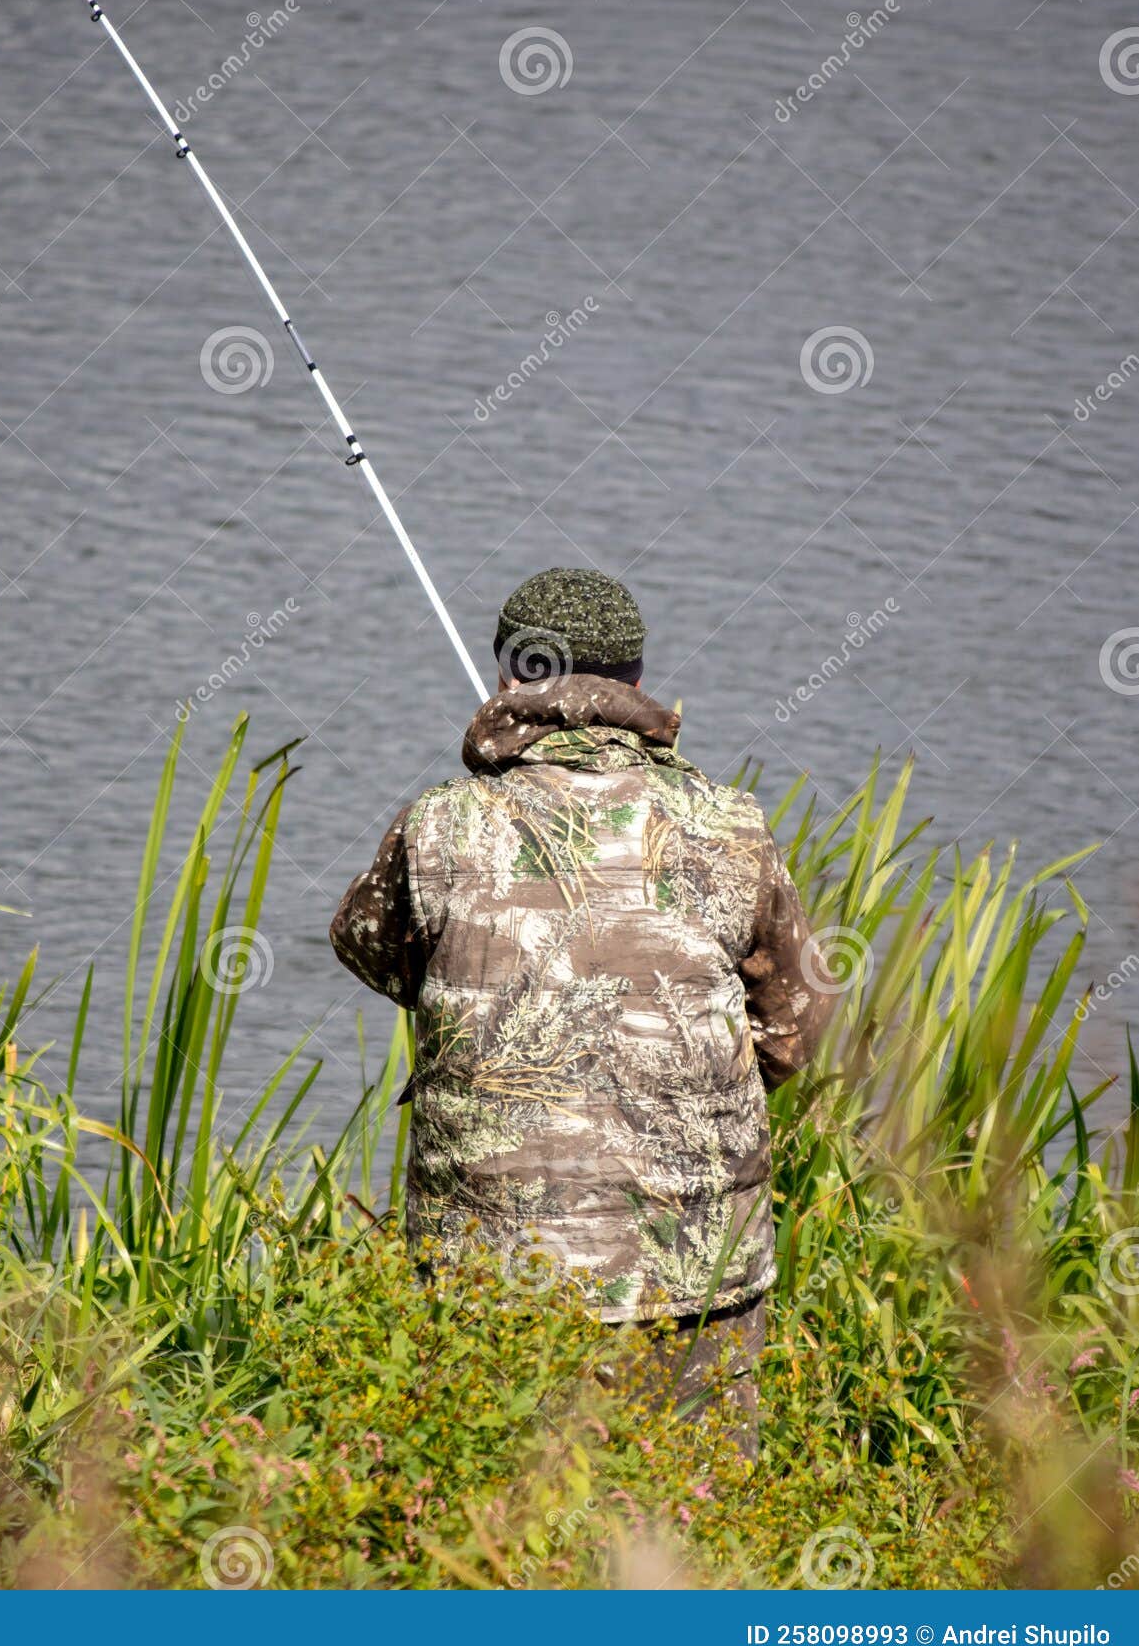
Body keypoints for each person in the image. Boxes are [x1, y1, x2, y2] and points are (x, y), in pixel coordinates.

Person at [330, 567, 832, 1456]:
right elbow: (796, 1026)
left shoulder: (437, 823)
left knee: (490, 1510)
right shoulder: (730, 825)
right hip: (693, 1263)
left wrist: (487, 995)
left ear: (506, 675)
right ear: (636, 680)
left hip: (488, 1269)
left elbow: (367, 946)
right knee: (696, 1507)